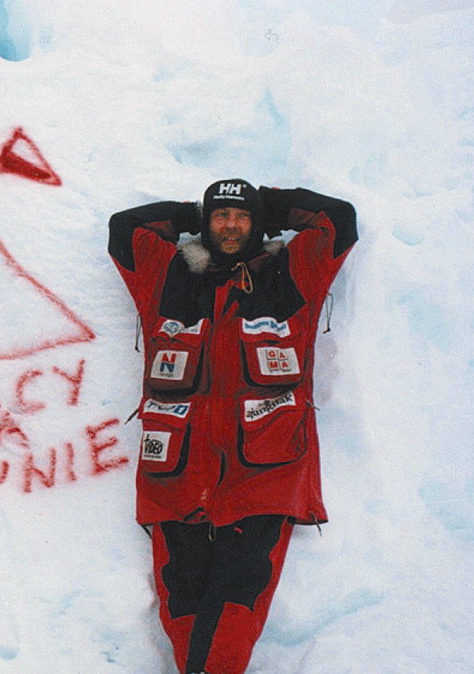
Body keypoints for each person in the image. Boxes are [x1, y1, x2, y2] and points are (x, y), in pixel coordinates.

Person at [107, 179, 357, 673]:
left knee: (236, 604)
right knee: (183, 606)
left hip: (265, 476)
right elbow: (124, 229)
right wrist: (191, 213)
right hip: (176, 476)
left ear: (257, 223)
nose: (231, 225)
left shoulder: (293, 273)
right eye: (221, 215)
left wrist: (271, 206)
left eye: (242, 217)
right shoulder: (167, 276)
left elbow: (339, 221)